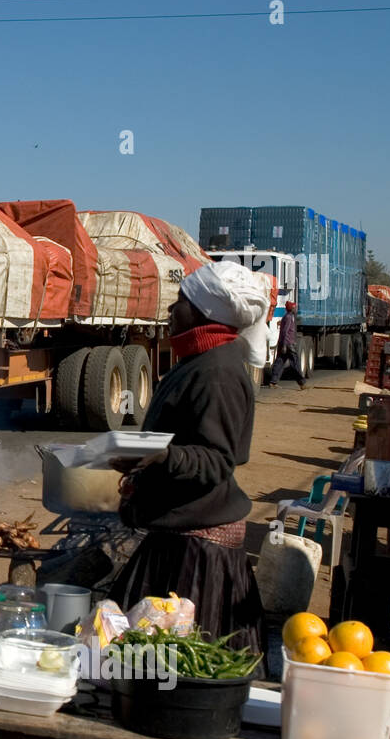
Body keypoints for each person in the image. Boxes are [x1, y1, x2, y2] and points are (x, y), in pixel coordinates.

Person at [107, 260, 270, 660]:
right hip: (177, 541)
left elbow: (217, 461)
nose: (170, 310)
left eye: (180, 301)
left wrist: (159, 456)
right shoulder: (199, 363)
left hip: (197, 559)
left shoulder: (218, 373)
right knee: (135, 659)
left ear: (202, 313)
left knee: (174, 665)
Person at [265, 300, 307, 389]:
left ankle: (273, 382)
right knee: (295, 363)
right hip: (288, 344)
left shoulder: (290, 316)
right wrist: (284, 345)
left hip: (285, 343)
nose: (296, 309)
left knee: (279, 362)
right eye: (294, 307)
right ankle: (302, 383)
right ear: (291, 308)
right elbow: (285, 332)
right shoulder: (288, 317)